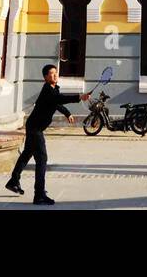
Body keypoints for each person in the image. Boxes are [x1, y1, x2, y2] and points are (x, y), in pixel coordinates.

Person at [6, 64, 89, 205]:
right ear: (45, 77)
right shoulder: (48, 91)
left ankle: (14, 181)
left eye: (56, 73)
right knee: (42, 160)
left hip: (34, 127)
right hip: (35, 129)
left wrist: (67, 113)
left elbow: (56, 103)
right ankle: (39, 195)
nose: (55, 75)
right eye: (51, 73)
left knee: (27, 153)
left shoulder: (52, 90)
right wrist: (79, 97)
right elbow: (59, 99)